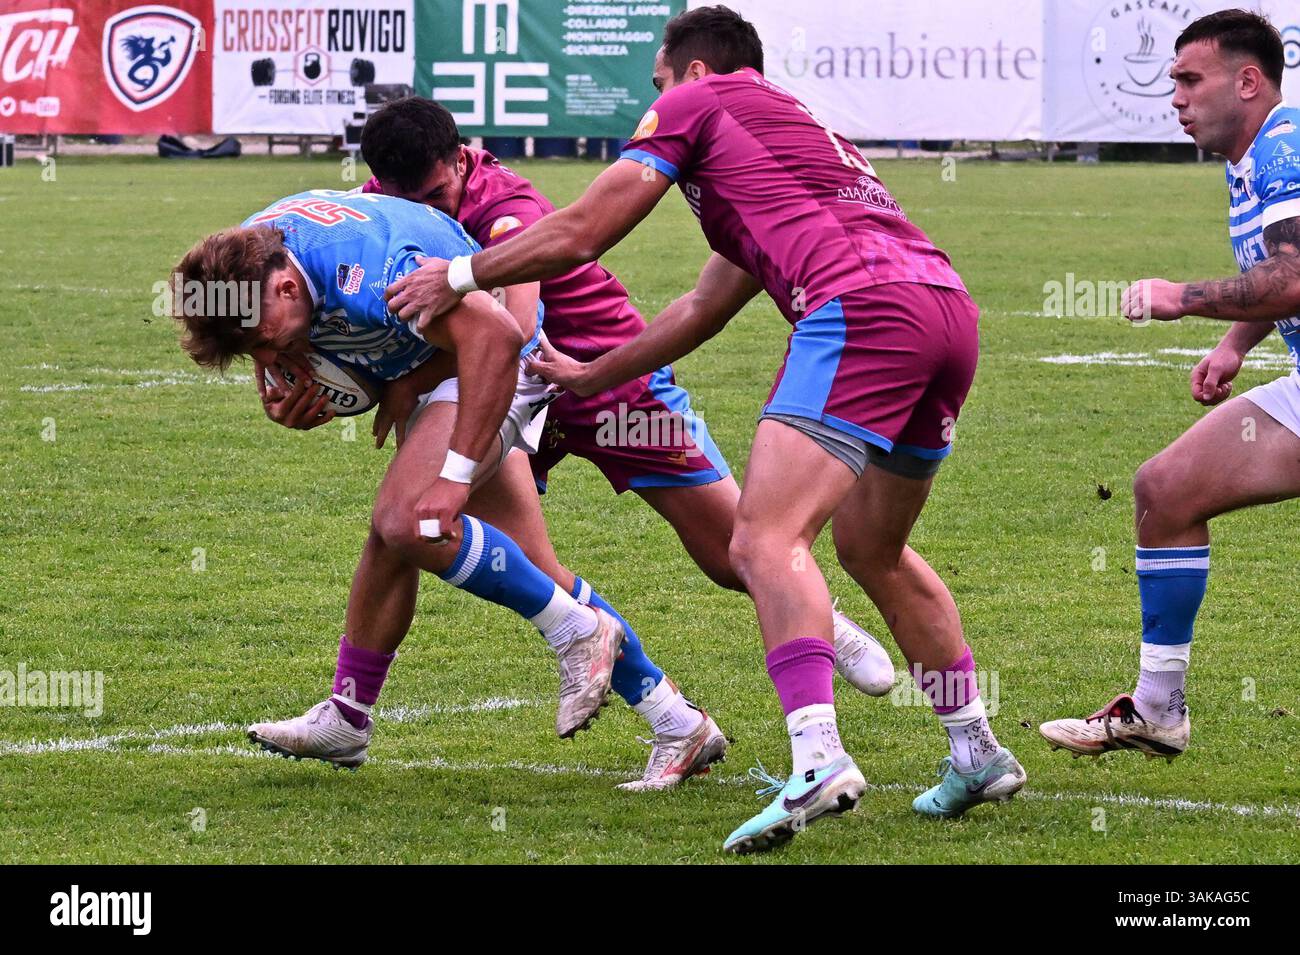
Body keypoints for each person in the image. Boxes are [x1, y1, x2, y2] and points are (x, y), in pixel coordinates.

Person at [383, 6, 1026, 852]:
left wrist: (457, 272)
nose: (650, 105)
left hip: (863, 311)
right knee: (872, 548)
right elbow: (701, 306)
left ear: (693, 72)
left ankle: (818, 758)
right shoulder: (787, 145)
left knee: (761, 541)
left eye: (655, 83)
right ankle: (975, 748)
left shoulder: (703, 99)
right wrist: (590, 373)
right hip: (944, 315)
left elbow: (584, 229)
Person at [171, 189, 728, 788]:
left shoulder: (369, 270)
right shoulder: (248, 258)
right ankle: (677, 723)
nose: (270, 353)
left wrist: (455, 476)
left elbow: (496, 335)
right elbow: (267, 328)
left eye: (264, 341)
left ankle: (577, 631)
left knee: (411, 520)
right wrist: (272, 377)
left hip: (496, 362)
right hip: (434, 362)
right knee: (498, 557)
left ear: (285, 289)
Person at [354, 97, 895, 707]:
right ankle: (674, 720)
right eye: (410, 203)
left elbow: (516, 326)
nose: (427, 212)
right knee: (426, 528)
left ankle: (824, 624)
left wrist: (408, 384)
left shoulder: (506, 206)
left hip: (607, 378)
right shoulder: (383, 203)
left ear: (459, 159)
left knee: (731, 549)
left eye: (436, 195)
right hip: (505, 393)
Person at [1042, 9, 1300, 760]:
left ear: (1247, 82)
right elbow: (1280, 275)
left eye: (1190, 79)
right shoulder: (1251, 157)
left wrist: (1177, 296)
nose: (1176, 97)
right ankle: (1157, 709)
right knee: (1168, 486)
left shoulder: (1286, 148)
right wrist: (1232, 342)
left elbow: (1291, 278)